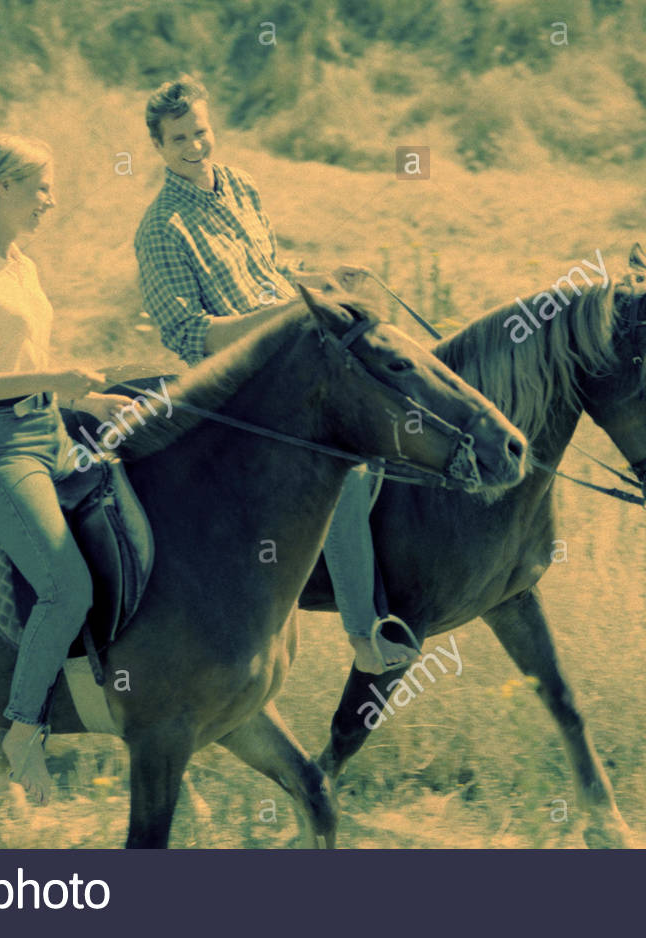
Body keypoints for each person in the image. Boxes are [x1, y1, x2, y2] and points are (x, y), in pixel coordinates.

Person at [133, 76, 421, 675]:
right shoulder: (161, 228)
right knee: (343, 463)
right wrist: (282, 316)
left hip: (296, 345)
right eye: (180, 137)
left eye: (202, 132)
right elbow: (189, 332)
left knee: (396, 383)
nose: (195, 145)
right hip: (240, 386)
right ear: (159, 146)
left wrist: (319, 278)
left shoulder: (241, 186)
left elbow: (271, 266)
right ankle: (365, 636)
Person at [0, 135, 131, 802]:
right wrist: (54, 375)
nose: (52, 199)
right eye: (42, 187)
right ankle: (24, 729)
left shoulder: (21, 265)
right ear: (3, 189)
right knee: (67, 585)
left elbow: (25, 355)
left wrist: (86, 398)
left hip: (47, 428)